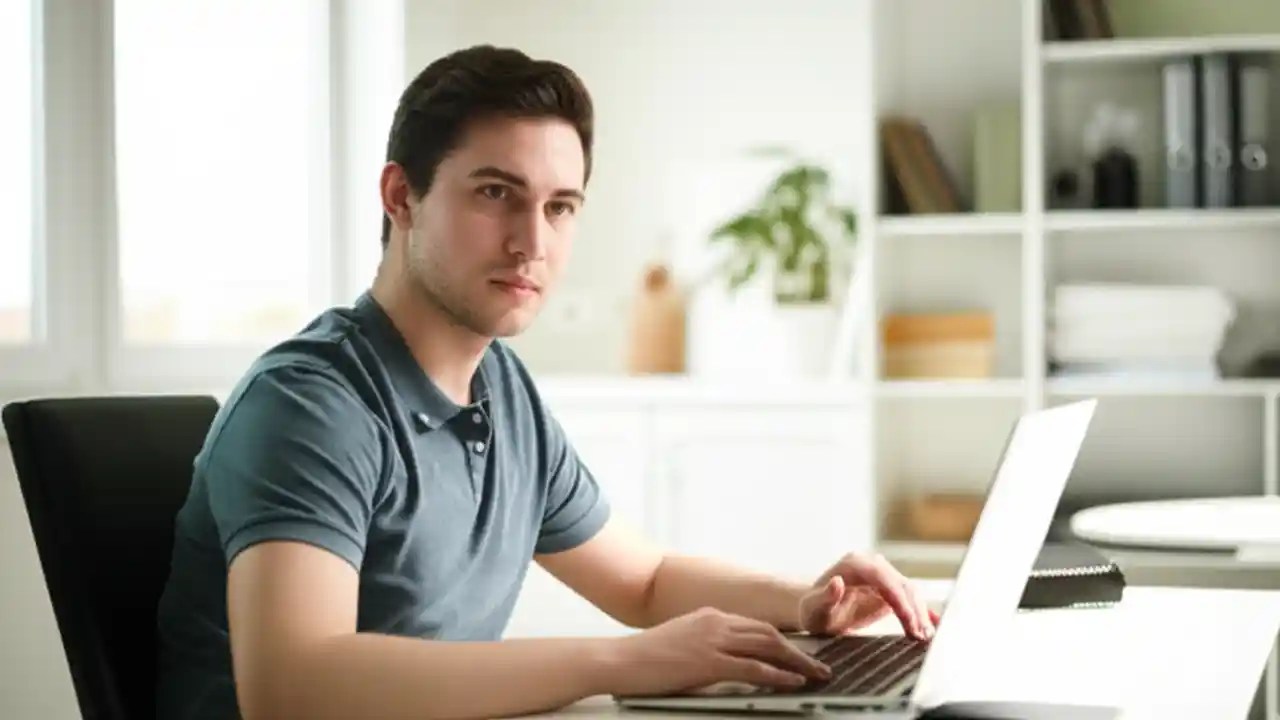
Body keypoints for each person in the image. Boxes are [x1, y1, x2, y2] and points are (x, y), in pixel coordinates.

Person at [155, 44, 938, 720]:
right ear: (402, 197)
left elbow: (646, 580)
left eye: (560, 207)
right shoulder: (312, 404)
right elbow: (293, 688)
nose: (533, 241)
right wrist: (624, 663)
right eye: (496, 193)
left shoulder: (501, 387)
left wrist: (805, 601)